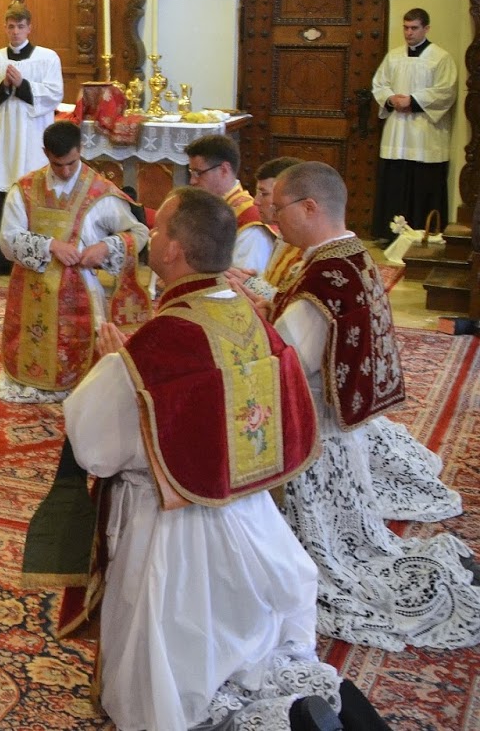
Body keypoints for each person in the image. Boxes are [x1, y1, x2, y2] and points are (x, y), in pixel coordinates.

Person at [62, 186, 353, 731]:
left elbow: (96, 448)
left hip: (172, 538)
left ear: (173, 251)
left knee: (172, 683)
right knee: (249, 646)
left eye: (158, 230)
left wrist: (109, 368)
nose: (149, 239)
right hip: (252, 523)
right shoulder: (252, 320)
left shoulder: (158, 345)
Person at [270, 161, 480, 650]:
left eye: (279, 207)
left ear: (309, 206)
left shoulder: (326, 276)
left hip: (315, 432)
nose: (273, 217)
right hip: (342, 429)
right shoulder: (352, 255)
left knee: (333, 554)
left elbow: (285, 357)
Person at [0, 120, 148, 402]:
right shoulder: (25, 189)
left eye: (72, 163)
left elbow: (139, 232)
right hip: (32, 290)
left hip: (82, 290)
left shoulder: (100, 191)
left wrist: (105, 246)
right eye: (57, 164)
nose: (65, 171)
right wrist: (51, 245)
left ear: (81, 150)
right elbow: (7, 240)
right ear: (45, 153)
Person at [0, 2, 63, 275]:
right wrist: (3, 85)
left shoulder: (47, 58)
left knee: (31, 190)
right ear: (5, 28)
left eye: (20, 27)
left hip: (34, 137)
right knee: (1, 188)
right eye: (11, 27)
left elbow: (54, 93)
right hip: (4, 138)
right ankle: (1, 259)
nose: (15, 32)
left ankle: (34, 257)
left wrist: (22, 84)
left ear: (29, 28)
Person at [371, 8, 457, 238]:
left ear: (426, 28)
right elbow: (379, 83)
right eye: (406, 28)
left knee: (422, 186)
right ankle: (390, 235)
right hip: (397, 132)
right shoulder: (394, 56)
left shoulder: (440, 57)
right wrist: (390, 98)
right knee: (395, 183)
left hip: (425, 134)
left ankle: (422, 232)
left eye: (414, 28)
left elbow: (446, 91)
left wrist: (414, 100)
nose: (409, 33)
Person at [184, 134, 275, 277]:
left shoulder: (249, 222)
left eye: (198, 173)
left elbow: (241, 282)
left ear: (224, 169)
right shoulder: (207, 207)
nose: (192, 181)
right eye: (191, 172)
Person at [228, 155, 303, 301]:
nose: (255, 202)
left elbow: (297, 303)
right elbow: (277, 283)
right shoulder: (285, 234)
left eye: (264, 193)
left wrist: (252, 284)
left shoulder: (308, 243)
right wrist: (256, 279)